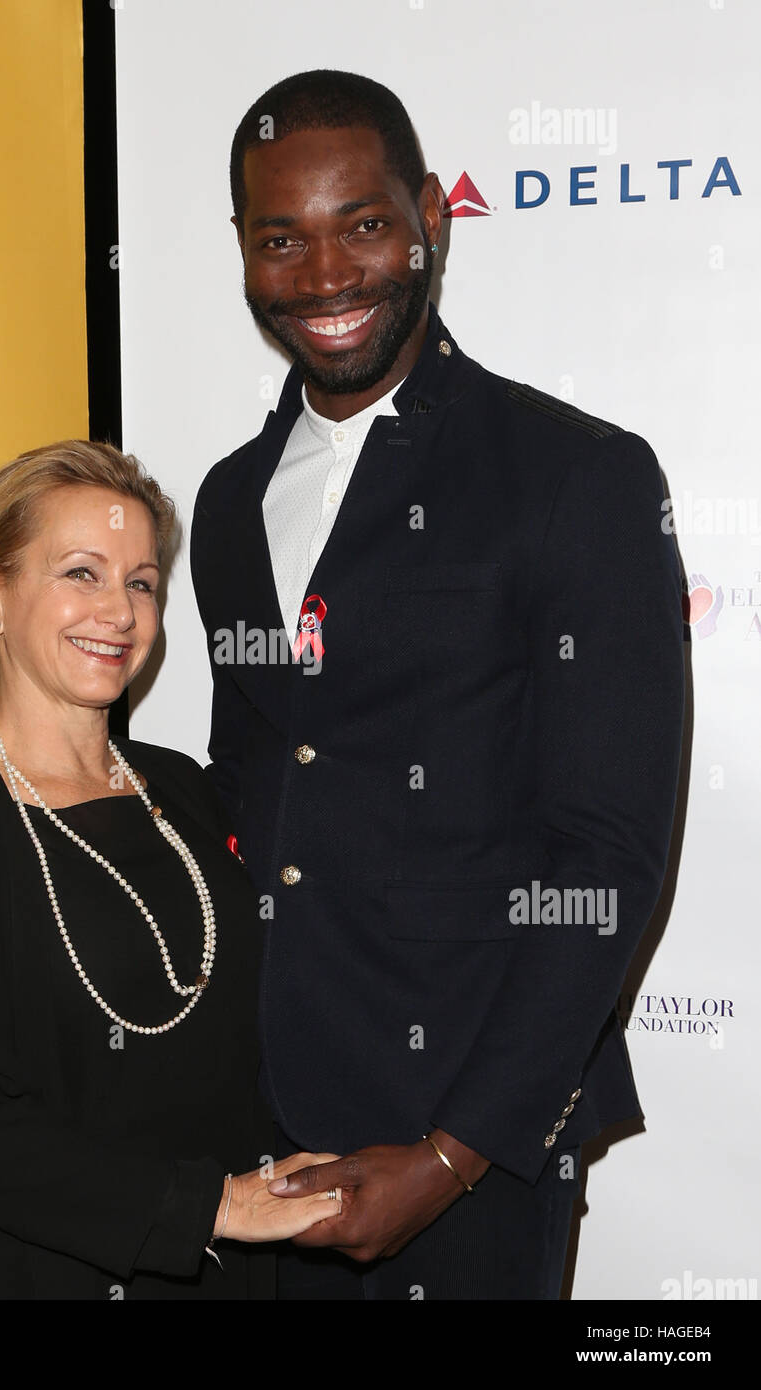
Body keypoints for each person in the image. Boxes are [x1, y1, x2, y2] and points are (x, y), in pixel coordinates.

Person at [190, 70, 685, 1300]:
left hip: (472, 1143)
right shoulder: (222, 501)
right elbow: (248, 792)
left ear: (431, 219)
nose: (322, 277)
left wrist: (453, 1152)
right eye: (279, 239)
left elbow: (605, 856)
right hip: (259, 1144)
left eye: (360, 224)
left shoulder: (575, 477)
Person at [0, 440, 340, 1300]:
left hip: (228, 1265)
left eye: (141, 583)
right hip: (33, 1273)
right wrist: (210, 1208)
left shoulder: (184, 791)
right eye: (82, 573)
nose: (119, 611)